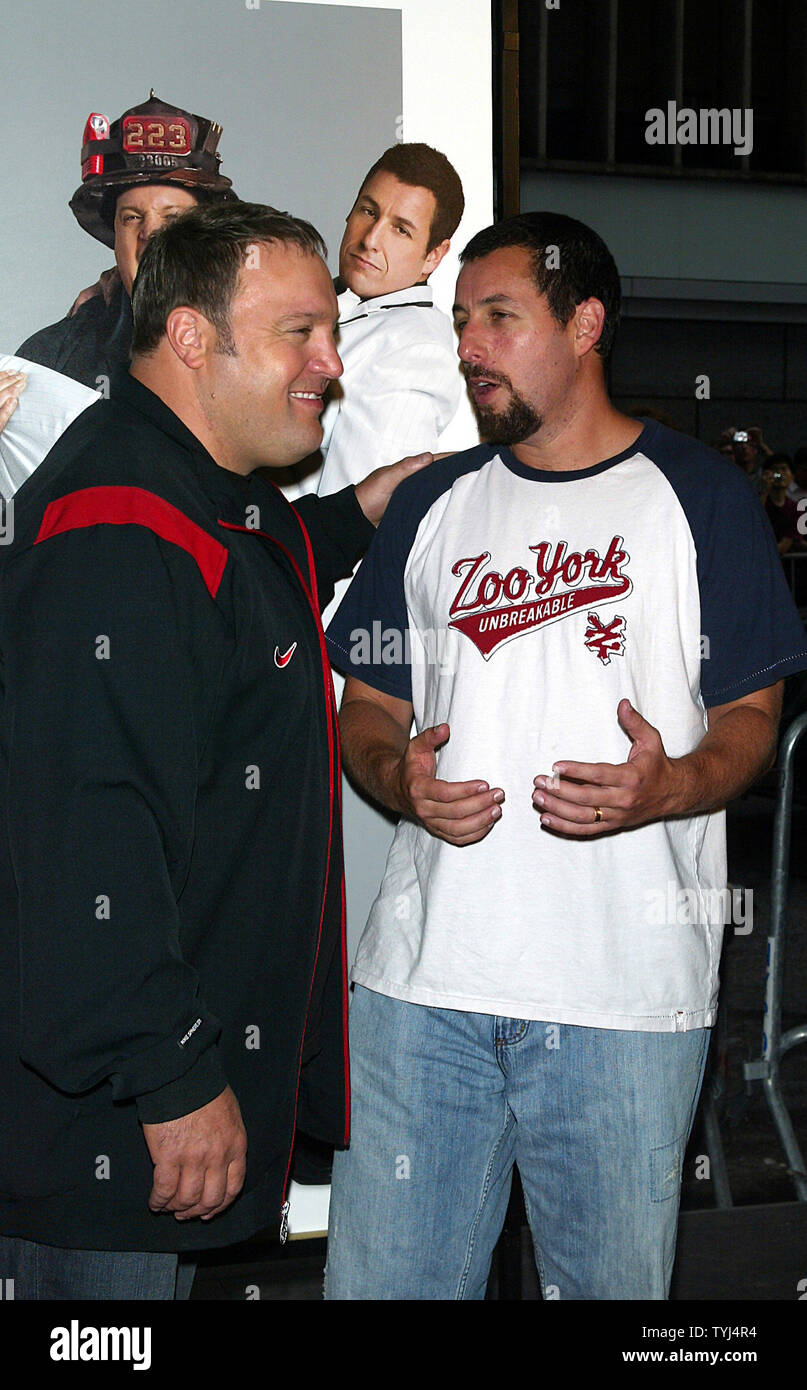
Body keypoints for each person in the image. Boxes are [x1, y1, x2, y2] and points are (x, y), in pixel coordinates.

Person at [322, 211, 807, 1301]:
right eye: (459, 324)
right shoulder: (432, 504)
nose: (470, 347)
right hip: (420, 998)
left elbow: (751, 719)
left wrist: (672, 784)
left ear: (584, 323)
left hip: (620, 1006)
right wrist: (399, 776)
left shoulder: (701, 500)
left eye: (500, 317)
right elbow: (367, 705)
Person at [0, 202, 431, 1300]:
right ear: (192, 337)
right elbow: (93, 838)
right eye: (300, 332)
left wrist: (355, 515)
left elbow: (240, 577)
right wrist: (174, 1075)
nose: (332, 363)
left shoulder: (196, 498)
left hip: (128, 1110)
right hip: (111, 1133)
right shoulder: (121, 530)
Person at [283, 143, 467, 511]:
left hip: (281, 562)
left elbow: (357, 525)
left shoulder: (412, 351)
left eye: (401, 230)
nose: (370, 240)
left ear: (434, 255)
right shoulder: (322, 300)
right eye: (369, 211)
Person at [15, 93, 237, 390]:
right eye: (132, 218)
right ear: (115, 240)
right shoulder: (53, 360)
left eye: (173, 218)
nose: (150, 234)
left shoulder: (261, 342)